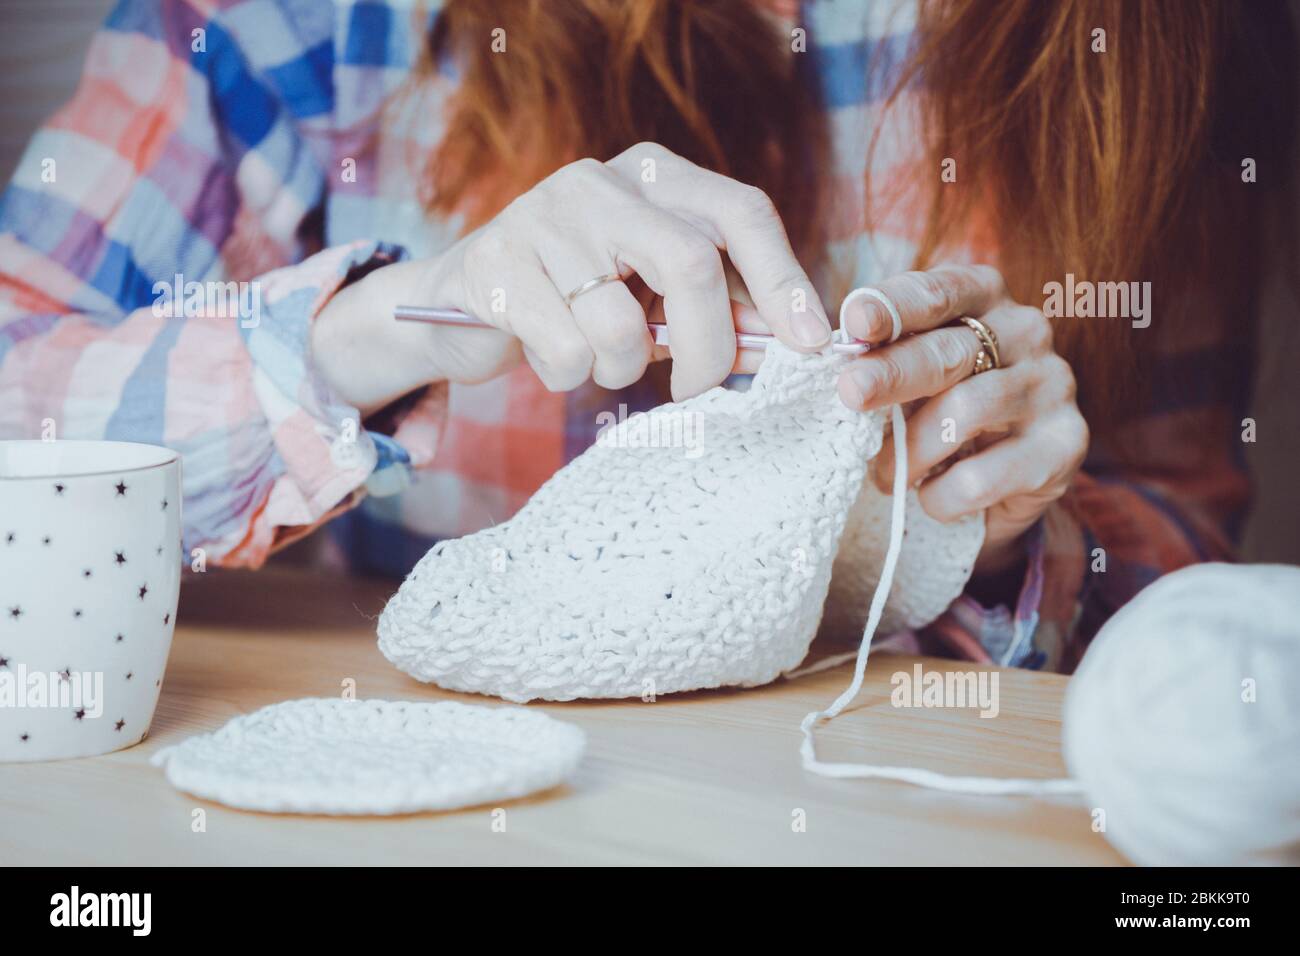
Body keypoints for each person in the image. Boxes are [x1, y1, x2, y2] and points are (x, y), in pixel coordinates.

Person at [1, 0, 1293, 671]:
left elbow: (1197, 599)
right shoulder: (307, 23)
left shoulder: (1136, 45)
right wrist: (366, 336)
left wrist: (1009, 533)